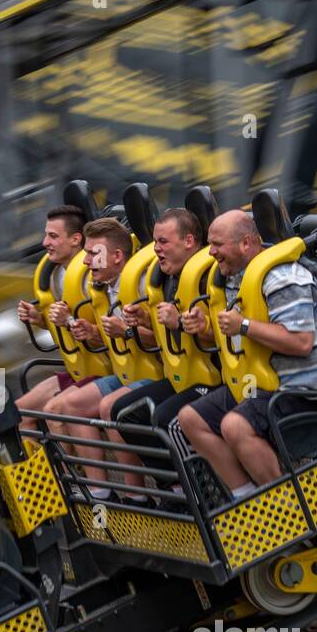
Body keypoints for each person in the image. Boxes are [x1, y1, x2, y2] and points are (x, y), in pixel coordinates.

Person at [178, 211, 317, 497]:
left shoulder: (284, 278)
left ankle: (287, 505)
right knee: (190, 418)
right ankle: (247, 497)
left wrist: (244, 325)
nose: (210, 252)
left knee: (234, 425)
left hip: (298, 389)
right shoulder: (235, 278)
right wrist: (205, 327)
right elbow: (240, 336)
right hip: (254, 383)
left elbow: (301, 343)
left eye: (217, 244)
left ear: (246, 243)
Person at [101, 208, 217, 496]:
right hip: (182, 374)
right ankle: (175, 490)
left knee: (164, 417)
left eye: (163, 242)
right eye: (154, 242)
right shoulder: (166, 279)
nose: (156, 249)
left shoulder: (208, 275)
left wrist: (182, 323)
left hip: (217, 376)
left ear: (189, 241)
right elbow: (161, 337)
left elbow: (222, 333)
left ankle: (207, 495)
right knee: (124, 413)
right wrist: (142, 321)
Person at [43, 217, 154, 499]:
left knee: (110, 406)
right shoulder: (100, 289)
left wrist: (129, 332)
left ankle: (136, 496)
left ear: (117, 256)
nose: (87, 262)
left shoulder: (142, 282)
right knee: (69, 405)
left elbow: (169, 339)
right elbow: (102, 340)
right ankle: (100, 493)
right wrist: (85, 329)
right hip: (125, 372)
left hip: (158, 374)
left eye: (94, 254)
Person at [15, 206, 89, 431]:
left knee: (53, 411)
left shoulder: (93, 275)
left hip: (102, 368)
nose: (45, 242)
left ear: (76, 239)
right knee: (18, 413)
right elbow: (65, 325)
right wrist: (40, 319)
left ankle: (70, 467)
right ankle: (38, 466)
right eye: (46, 235)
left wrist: (67, 321)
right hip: (79, 367)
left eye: (53, 236)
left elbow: (99, 333)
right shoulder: (58, 275)